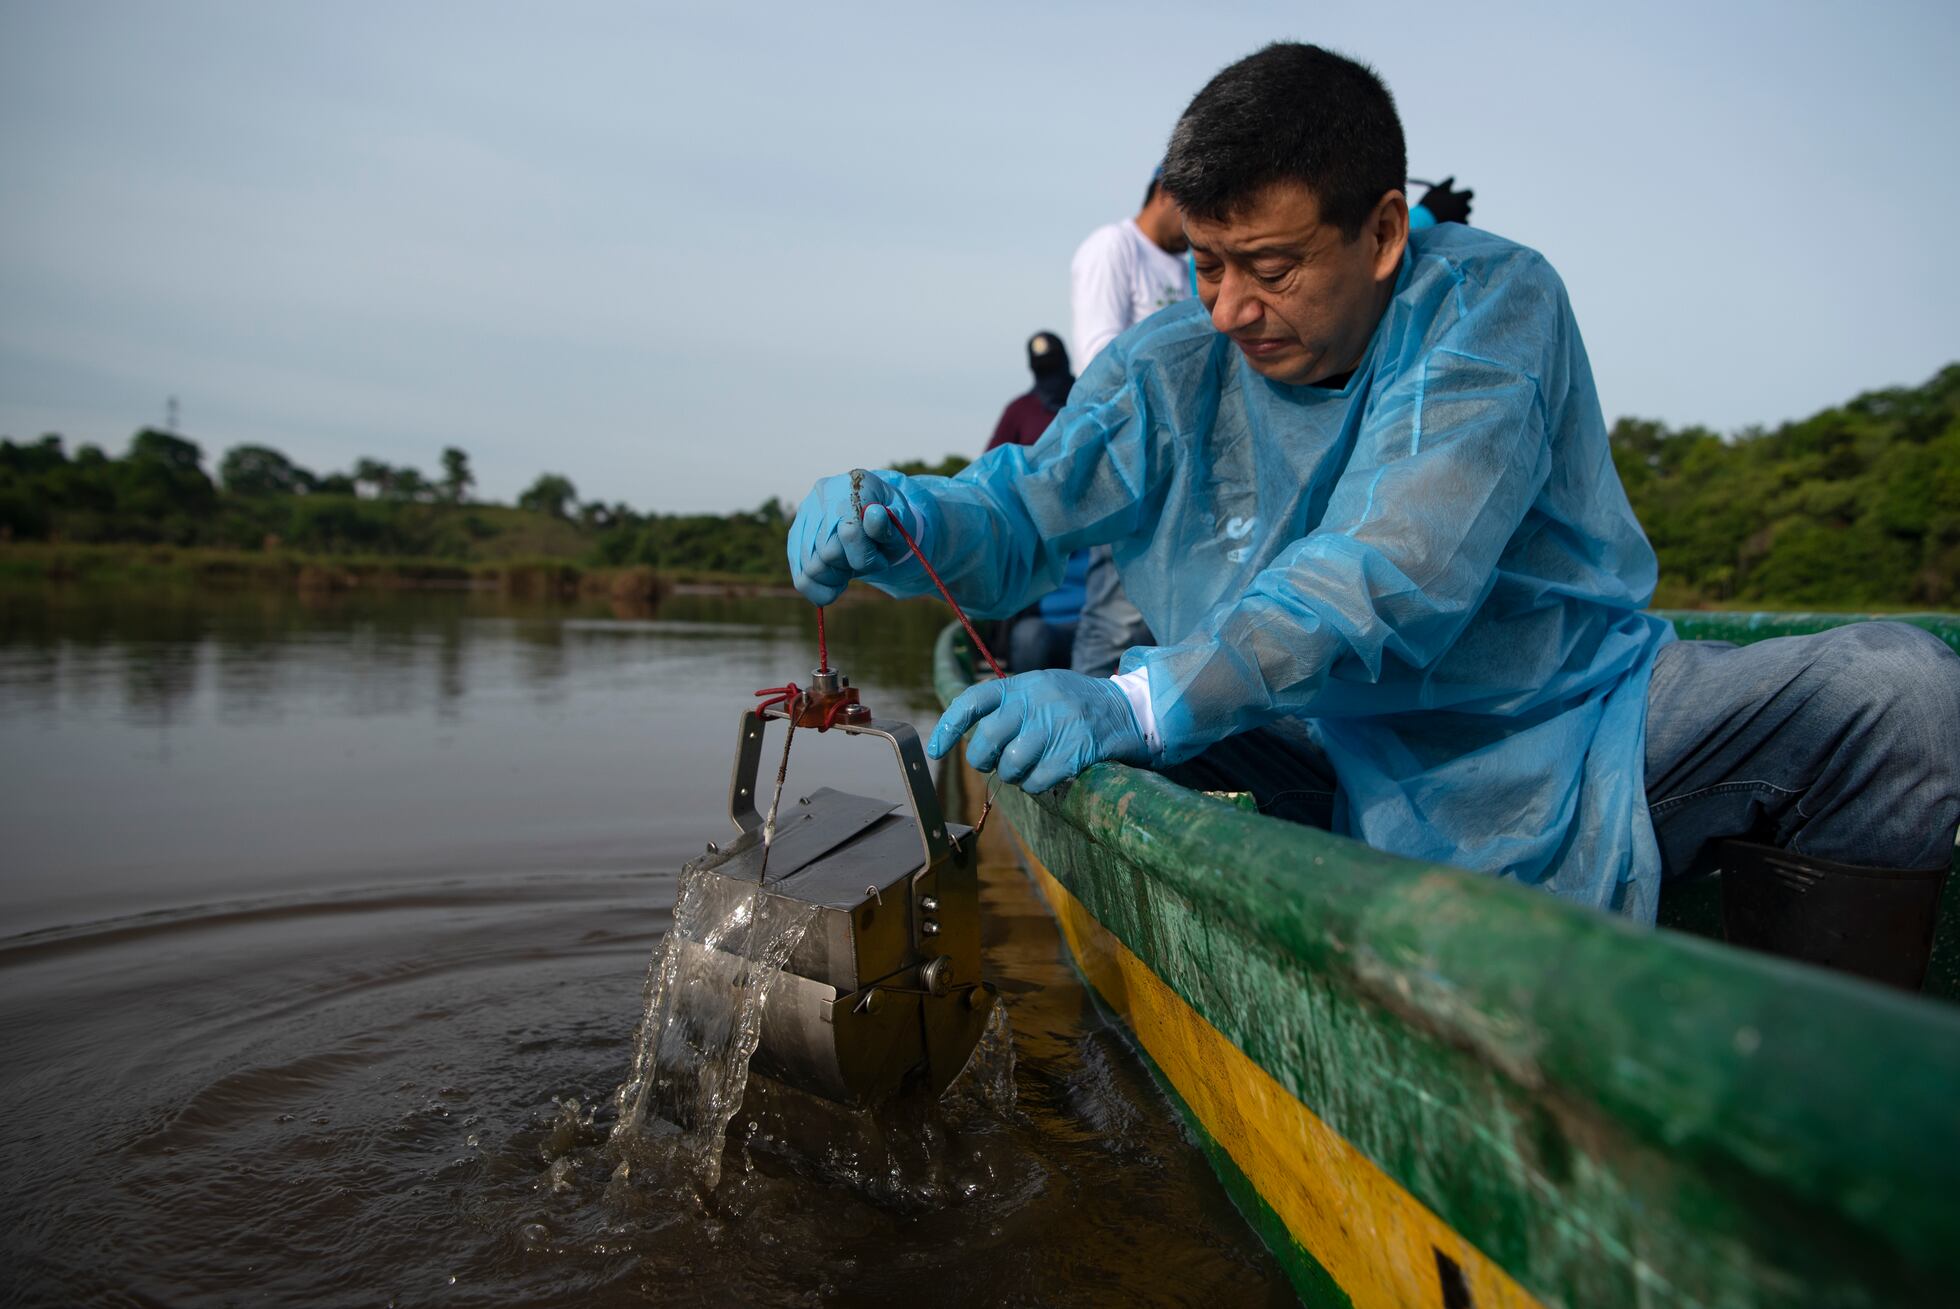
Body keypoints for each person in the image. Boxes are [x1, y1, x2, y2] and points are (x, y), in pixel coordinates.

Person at [788, 44, 1960, 981]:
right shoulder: (1172, 357)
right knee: (1111, 761)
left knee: (1897, 694)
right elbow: (1024, 508)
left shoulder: (1490, 305)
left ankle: (1781, 1095)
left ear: (1385, 232)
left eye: (1272, 265)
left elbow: (1387, 572)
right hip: (1315, 738)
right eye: (1204, 264)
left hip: (1562, 715)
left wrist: (1133, 697)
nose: (1232, 308)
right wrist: (904, 519)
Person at [986, 332, 1086, 669]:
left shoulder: (1090, 403)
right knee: (1028, 637)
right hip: (1043, 621)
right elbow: (989, 476)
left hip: (1099, 629)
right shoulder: (1019, 411)